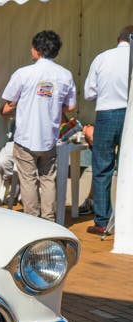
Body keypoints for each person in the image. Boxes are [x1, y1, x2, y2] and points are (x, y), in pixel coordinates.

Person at [1, 30, 77, 221]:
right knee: (48, 180)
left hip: (25, 137)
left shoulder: (23, 73)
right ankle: (49, 220)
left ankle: (32, 222)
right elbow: (71, 106)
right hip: (49, 138)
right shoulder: (65, 75)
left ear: (36, 51)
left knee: (28, 181)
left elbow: (9, 101)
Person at [83, 25, 133, 235]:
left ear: (118, 38)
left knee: (102, 167)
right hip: (130, 113)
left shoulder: (102, 57)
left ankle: (103, 221)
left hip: (107, 113)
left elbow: (88, 93)